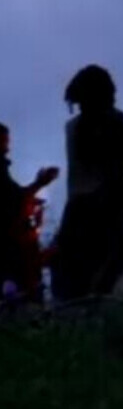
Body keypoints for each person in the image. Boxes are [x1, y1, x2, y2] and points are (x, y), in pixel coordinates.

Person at [50, 66, 123, 301]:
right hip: (109, 202)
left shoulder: (72, 127)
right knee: (111, 266)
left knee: (79, 268)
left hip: (77, 207)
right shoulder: (114, 119)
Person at [0, 123, 59, 303]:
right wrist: (40, 183)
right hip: (12, 247)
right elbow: (13, 200)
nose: (8, 147)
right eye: (5, 141)